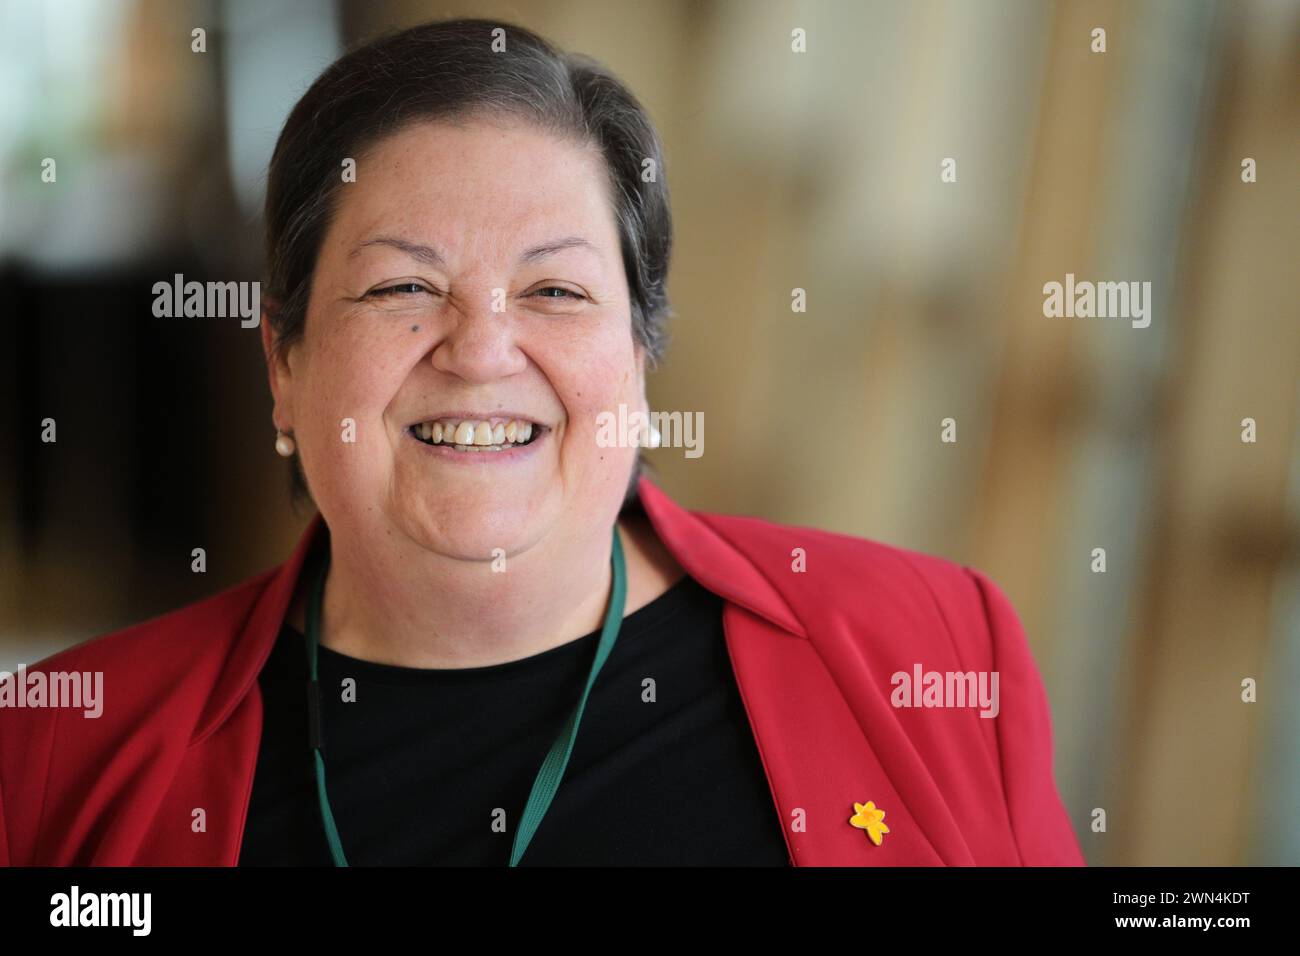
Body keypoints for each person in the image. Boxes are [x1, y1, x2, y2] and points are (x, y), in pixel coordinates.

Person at [0, 17, 1083, 867]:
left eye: (556, 288)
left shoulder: (935, 654)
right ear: (283, 366)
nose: (481, 350)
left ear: (641, 357)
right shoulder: (56, 756)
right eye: (402, 286)